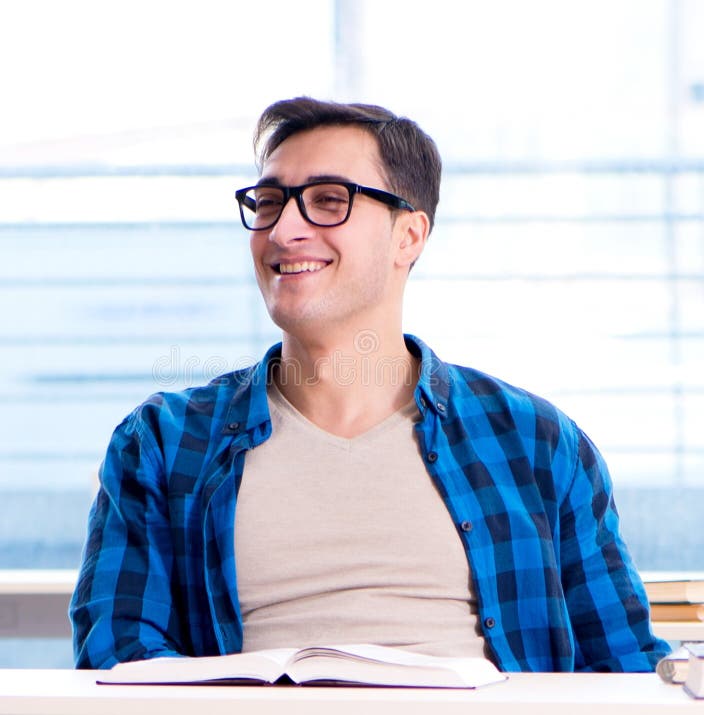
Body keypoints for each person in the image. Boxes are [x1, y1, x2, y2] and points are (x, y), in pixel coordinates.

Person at [70, 97, 670, 672]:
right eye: (271, 202)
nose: (283, 231)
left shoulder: (535, 442)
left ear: (408, 236)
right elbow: (118, 661)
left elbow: (621, 665)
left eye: (329, 201)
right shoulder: (163, 444)